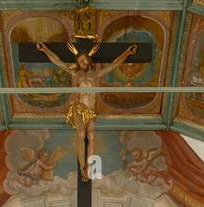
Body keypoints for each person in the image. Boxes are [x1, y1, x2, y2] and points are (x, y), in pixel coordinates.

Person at [35, 41, 139, 180]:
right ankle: (82, 164)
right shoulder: (75, 74)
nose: (82, 62)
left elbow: (114, 65)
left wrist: (127, 53)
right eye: (80, 60)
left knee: (91, 136)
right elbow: (58, 62)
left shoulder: (95, 75)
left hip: (91, 110)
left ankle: (88, 167)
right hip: (78, 108)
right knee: (81, 133)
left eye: (84, 59)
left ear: (89, 61)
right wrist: (45, 50)